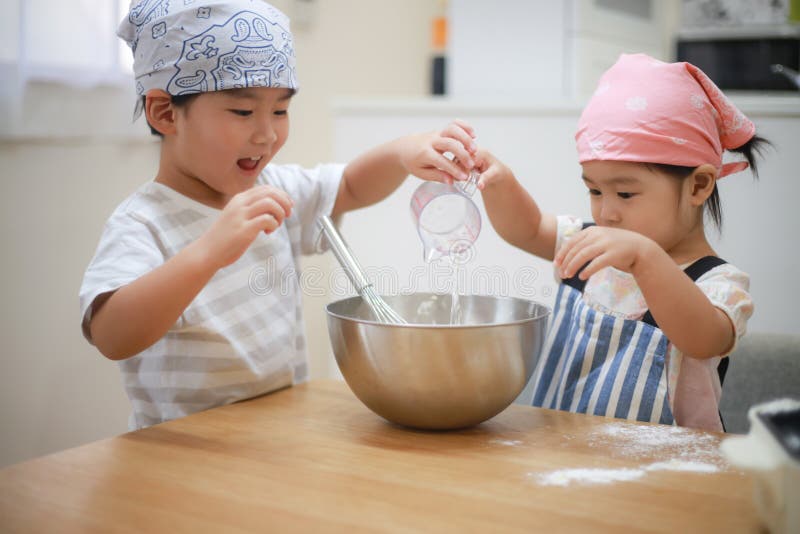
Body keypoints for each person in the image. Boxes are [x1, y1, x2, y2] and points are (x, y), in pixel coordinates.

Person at [80, 0, 476, 430]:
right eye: (243, 112)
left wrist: (402, 152)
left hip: (276, 435)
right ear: (164, 112)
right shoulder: (143, 223)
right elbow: (113, 337)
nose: (267, 133)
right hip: (183, 454)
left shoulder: (273, 188)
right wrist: (210, 250)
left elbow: (349, 188)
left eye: (281, 110)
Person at [468, 54, 768, 431]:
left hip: (667, 478)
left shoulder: (719, 285)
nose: (607, 213)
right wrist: (499, 182)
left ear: (699, 185)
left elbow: (702, 340)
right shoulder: (588, 243)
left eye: (625, 194)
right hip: (563, 460)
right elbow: (525, 229)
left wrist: (645, 258)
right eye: (594, 190)